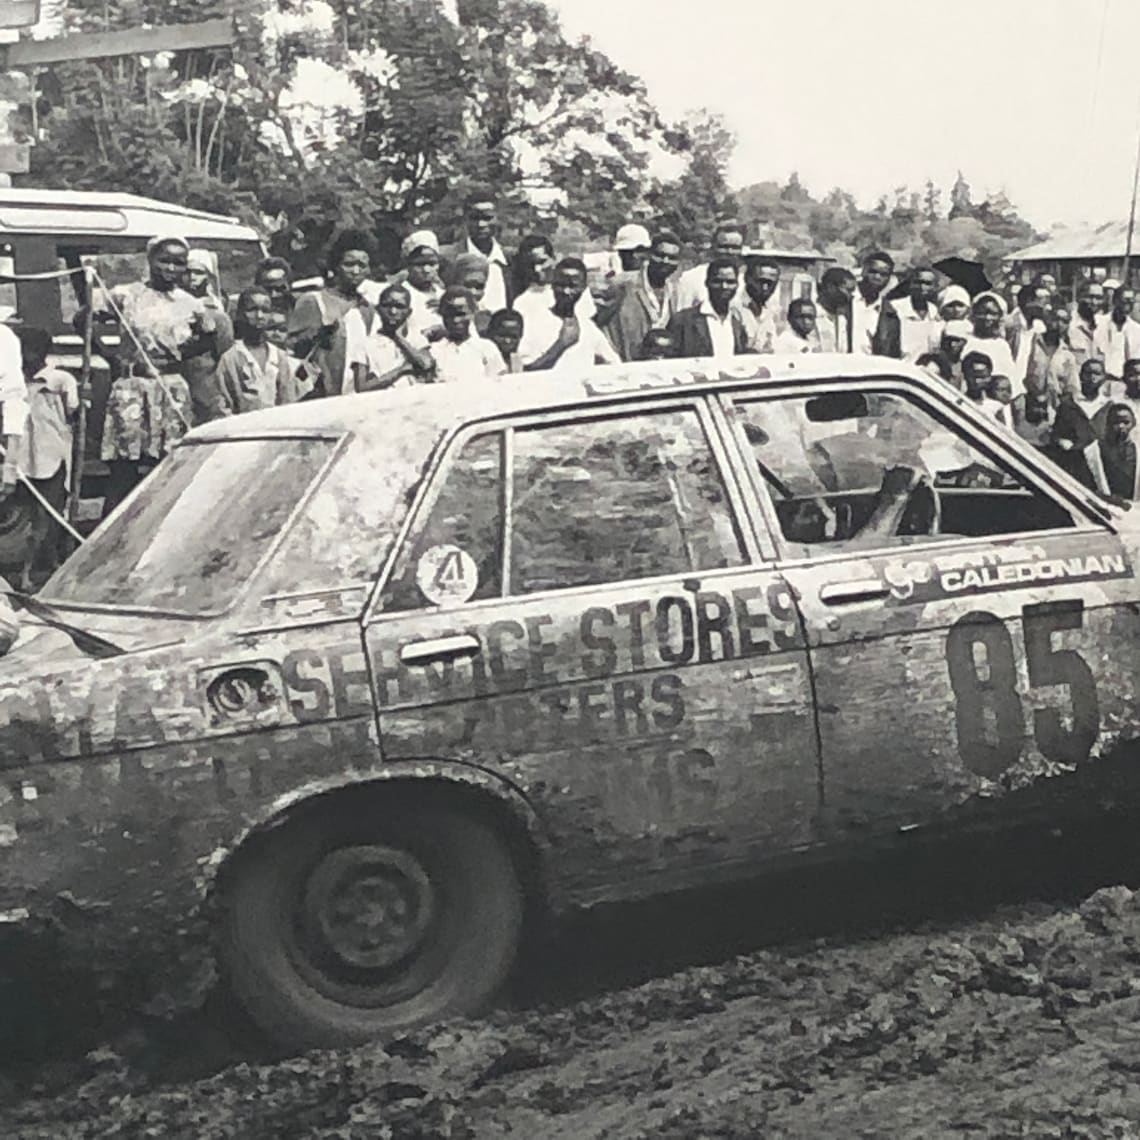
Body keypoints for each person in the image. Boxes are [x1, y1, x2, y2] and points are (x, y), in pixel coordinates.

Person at [94, 235, 212, 517]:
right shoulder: (126, 294)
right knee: (124, 467)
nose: (171, 269)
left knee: (168, 464)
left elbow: (209, 336)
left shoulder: (191, 304)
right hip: (132, 388)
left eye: (179, 263)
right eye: (165, 261)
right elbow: (84, 319)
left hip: (170, 388)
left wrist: (180, 355)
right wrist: (112, 358)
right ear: (150, 261)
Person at [14, 325, 76, 590]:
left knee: (50, 514)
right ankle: (30, 570)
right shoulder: (13, 380)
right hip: (21, 457)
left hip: (52, 453)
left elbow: (72, 410)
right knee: (30, 518)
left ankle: (47, 567)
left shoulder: (59, 379)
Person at [287, 228, 377, 397]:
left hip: (359, 396)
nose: (356, 271)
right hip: (320, 395)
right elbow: (293, 350)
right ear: (336, 266)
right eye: (349, 265)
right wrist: (320, 336)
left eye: (362, 266)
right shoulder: (314, 301)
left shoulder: (367, 309)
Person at [518, 258, 620, 372]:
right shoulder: (535, 322)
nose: (566, 291)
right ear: (552, 285)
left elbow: (614, 364)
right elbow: (526, 371)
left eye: (573, 286)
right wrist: (561, 344)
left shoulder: (587, 326)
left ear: (583, 288)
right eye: (561, 285)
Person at [216, 288, 306, 415]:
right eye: (252, 310)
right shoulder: (230, 358)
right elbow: (225, 405)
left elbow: (288, 399)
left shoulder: (279, 356)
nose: (259, 316)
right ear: (240, 314)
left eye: (265, 310)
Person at [599, 230, 681, 362]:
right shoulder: (622, 284)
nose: (665, 261)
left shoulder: (675, 290)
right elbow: (598, 323)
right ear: (649, 255)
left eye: (672, 258)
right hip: (624, 365)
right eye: (660, 255)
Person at [343, 283, 435, 392]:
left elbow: (426, 364)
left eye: (399, 307)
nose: (393, 312)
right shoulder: (365, 345)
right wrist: (401, 370)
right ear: (378, 309)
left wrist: (398, 338)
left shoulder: (417, 340)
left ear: (409, 312)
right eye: (387, 306)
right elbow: (362, 386)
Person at [182, 248, 234, 425]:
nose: (192, 277)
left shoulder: (217, 315)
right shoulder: (173, 308)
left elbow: (226, 356)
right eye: (187, 272)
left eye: (198, 272)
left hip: (207, 388)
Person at [440, 187, 512, 315]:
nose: (481, 224)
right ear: (466, 219)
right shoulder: (447, 258)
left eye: (487, 218)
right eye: (474, 218)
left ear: (498, 218)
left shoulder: (510, 260)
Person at [666, 259, 752, 358]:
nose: (724, 287)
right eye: (717, 281)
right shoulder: (683, 321)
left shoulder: (737, 326)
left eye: (730, 282)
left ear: (737, 286)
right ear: (707, 283)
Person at [511, 234, 595, 326]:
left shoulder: (574, 289)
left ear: (553, 259)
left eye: (542, 262)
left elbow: (587, 321)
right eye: (531, 264)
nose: (537, 269)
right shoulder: (522, 302)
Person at [432, 287, 504, 382]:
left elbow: (499, 384)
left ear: (472, 314)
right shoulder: (435, 351)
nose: (455, 320)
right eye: (449, 315)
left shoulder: (486, 348)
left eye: (461, 315)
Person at [673, 222, 748, 310]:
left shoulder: (746, 280)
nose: (729, 251)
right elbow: (681, 313)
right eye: (724, 247)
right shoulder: (692, 278)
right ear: (713, 247)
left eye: (735, 248)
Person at [1024, 302, 1079, 406]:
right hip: (1031, 403)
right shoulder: (1031, 343)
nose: (1059, 324)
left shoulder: (1067, 354)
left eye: (1064, 321)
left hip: (1055, 405)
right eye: (1055, 319)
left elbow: (1072, 385)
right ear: (1047, 319)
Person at [964, 293, 1018, 395]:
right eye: (982, 313)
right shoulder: (965, 341)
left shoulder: (1002, 346)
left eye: (993, 313)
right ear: (973, 314)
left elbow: (1013, 382)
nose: (987, 318)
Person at [852, 250, 900, 357]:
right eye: (873, 272)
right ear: (864, 271)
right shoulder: (846, 300)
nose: (877, 277)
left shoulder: (889, 314)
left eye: (883, 274)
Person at [399, 230, 445, 341]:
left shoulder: (443, 295)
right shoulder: (401, 295)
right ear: (407, 265)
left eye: (432, 264)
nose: (426, 269)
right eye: (419, 264)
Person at [894, 265, 942, 360]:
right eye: (918, 282)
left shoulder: (933, 311)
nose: (922, 287)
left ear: (935, 287)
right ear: (910, 284)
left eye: (927, 283)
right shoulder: (895, 308)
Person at [1093, 285, 1140, 382]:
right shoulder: (1099, 322)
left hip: (1126, 382)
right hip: (1101, 379)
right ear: (1115, 301)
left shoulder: (1136, 329)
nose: (1128, 305)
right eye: (1125, 301)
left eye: (1131, 302)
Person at [1097, 404, 1140, 500]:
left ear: (1134, 423)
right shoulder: (1096, 450)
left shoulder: (1137, 451)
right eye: (1115, 422)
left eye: (1126, 422)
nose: (1121, 426)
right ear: (1107, 423)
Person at [741, 256, 781, 352]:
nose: (765, 288)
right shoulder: (735, 308)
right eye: (760, 281)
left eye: (770, 283)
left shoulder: (773, 311)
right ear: (747, 279)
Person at [445, 252, 493, 333]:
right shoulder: (441, 313)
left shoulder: (489, 319)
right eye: (467, 286)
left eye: (479, 287)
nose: (473, 292)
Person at [815, 267, 856, 352]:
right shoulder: (811, 316)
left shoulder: (843, 319)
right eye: (848, 290)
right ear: (831, 287)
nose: (851, 295)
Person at [1070, 357, 1111, 434]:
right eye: (1088, 373)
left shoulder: (1109, 406)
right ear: (1080, 376)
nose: (1092, 377)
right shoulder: (1069, 402)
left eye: (1097, 374)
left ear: (1104, 378)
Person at [961, 350, 1005, 421]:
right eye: (975, 376)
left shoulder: (996, 408)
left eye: (984, 377)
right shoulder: (958, 402)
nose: (978, 381)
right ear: (965, 376)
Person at [1069, 284, 1104, 370]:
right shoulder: (1069, 323)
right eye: (1090, 297)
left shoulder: (1105, 324)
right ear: (1079, 297)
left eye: (1098, 298)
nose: (1094, 302)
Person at [936, 319, 971, 389]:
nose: (952, 344)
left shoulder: (965, 366)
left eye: (956, 340)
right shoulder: (935, 363)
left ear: (964, 342)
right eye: (948, 340)